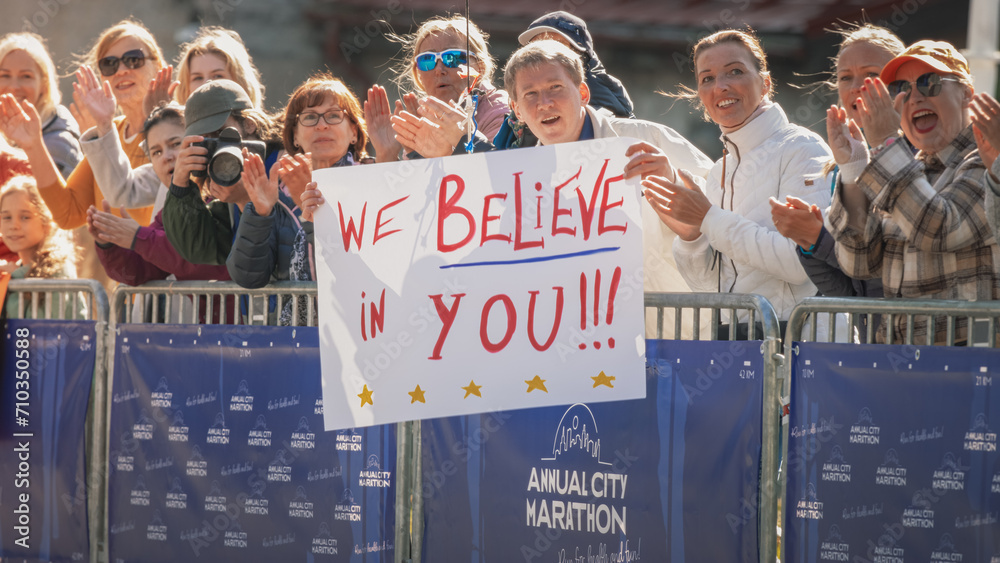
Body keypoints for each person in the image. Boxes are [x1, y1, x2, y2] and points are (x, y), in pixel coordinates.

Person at [498, 40, 713, 338]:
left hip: (673, 335)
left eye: (555, 88)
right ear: (516, 110)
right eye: (530, 94)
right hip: (583, 346)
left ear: (583, 93)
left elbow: (721, 206)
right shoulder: (518, 181)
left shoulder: (644, 139)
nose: (544, 103)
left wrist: (673, 180)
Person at [643, 29, 833, 338]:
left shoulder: (803, 148)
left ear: (765, 83)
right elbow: (710, 288)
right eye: (707, 78)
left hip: (799, 345)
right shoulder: (718, 172)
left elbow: (800, 265)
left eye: (735, 71)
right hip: (737, 345)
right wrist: (692, 237)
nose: (721, 86)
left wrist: (708, 218)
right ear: (700, 96)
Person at [826, 40, 1000, 344]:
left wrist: (883, 147)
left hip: (970, 366)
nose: (914, 96)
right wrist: (855, 169)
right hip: (903, 368)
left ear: (966, 95)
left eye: (929, 82)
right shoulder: (901, 168)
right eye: (901, 89)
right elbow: (860, 263)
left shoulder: (985, 157)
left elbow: (940, 230)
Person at [770, 24, 904, 339]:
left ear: (901, 84)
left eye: (871, 74)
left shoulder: (918, 157)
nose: (856, 87)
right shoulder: (840, 166)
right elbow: (849, 291)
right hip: (870, 347)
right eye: (845, 77)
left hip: (920, 345)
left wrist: (820, 241)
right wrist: (808, 246)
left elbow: (887, 273)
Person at [228, 74, 369, 294]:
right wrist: (260, 214)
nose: (321, 126)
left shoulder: (372, 182)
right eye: (310, 118)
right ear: (294, 136)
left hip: (356, 322)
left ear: (354, 132)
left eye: (333, 116)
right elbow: (248, 277)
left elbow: (358, 269)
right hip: (294, 326)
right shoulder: (276, 193)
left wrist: (313, 214)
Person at [86, 103, 230, 286]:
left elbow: (198, 258)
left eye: (176, 144)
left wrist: (138, 237)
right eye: (157, 152)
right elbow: (139, 271)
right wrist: (107, 241)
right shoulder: (169, 214)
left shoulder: (225, 193)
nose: (167, 156)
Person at [161, 79, 278, 266]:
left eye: (221, 133)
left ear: (249, 124)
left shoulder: (286, 165)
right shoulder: (224, 183)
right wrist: (180, 187)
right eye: (205, 140)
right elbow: (201, 249)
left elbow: (289, 253)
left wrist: (246, 201)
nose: (217, 146)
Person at [494, 10, 636, 149]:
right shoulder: (519, 105)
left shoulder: (601, 95)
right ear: (517, 109)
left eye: (556, 44)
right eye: (536, 45)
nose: (544, 104)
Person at [384, 15, 505, 159]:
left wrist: (462, 139)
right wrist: (388, 154)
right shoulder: (423, 120)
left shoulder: (499, 111)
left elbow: (496, 173)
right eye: (427, 60)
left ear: (480, 67)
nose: (439, 69)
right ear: (418, 73)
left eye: (452, 57)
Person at [0, 32, 82, 177]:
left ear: (44, 83)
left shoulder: (59, 143)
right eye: (5, 75)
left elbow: (56, 197)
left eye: (26, 76)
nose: (14, 86)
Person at [0, 176, 81, 318]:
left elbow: (40, 329)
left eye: (25, 217)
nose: (14, 226)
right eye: (7, 217)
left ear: (46, 223)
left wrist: (17, 279)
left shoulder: (58, 269)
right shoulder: (17, 268)